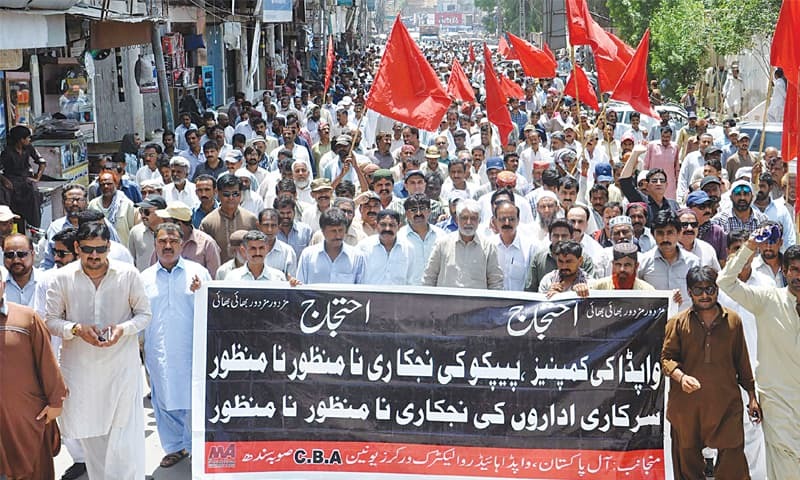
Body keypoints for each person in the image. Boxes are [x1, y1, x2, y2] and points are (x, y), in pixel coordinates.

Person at [45, 221, 152, 479]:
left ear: (109, 247)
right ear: (77, 247)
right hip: (82, 372)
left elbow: (144, 314)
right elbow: (50, 320)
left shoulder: (128, 274)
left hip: (121, 369)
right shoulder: (61, 278)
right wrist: (77, 329)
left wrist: (123, 329)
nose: (95, 256)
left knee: (124, 442)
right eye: (88, 249)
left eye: (101, 249)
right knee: (93, 439)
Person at [662, 266, 759, 480]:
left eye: (710, 289)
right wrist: (682, 377)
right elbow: (667, 359)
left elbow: (742, 362)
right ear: (689, 292)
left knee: (733, 458)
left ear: (717, 289)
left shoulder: (732, 320)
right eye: (698, 290)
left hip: (725, 403)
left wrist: (752, 397)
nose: (705, 295)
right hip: (687, 407)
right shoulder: (677, 323)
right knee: (687, 461)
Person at [141, 223, 209, 468]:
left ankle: (194, 446)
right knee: (164, 399)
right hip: (158, 350)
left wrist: (201, 292)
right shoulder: (144, 278)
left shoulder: (198, 273)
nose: (167, 246)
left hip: (192, 350)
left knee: (193, 400)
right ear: (155, 244)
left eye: (173, 241)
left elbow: (211, 307)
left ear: (182, 244)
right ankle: (174, 447)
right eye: (162, 241)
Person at [0, 268, 68, 480]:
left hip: (25, 416)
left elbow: (46, 361)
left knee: (35, 469)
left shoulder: (25, 317)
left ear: (3, 284)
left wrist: (56, 401)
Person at [422, 198, 504, 289]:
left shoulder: (488, 247)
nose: (468, 222)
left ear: (479, 221)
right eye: (464, 218)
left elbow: (495, 282)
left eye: (473, 218)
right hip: (446, 302)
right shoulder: (442, 244)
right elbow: (429, 278)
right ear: (457, 220)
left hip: (478, 303)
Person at [296, 208, 366, 284]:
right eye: (333, 231)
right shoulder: (308, 255)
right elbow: (301, 286)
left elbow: (361, 289)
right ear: (323, 231)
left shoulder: (357, 257)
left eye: (341, 230)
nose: (338, 235)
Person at [199, 174, 258, 263]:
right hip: (219, 274)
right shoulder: (208, 223)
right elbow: (203, 252)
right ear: (218, 194)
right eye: (226, 194)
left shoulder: (251, 219)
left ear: (241, 194)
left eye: (235, 194)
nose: (231, 198)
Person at [0, 125, 45, 227]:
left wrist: (37, 177)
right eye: (28, 138)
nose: (29, 140)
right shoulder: (7, 152)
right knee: (4, 197)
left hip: (25, 179)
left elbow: (42, 162)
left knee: (34, 195)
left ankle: (35, 226)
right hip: (11, 180)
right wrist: (4, 180)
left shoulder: (29, 148)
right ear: (21, 139)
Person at [356, 209, 414, 285]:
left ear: (399, 226)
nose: (387, 229)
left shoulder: (408, 248)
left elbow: (411, 279)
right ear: (376, 225)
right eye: (383, 225)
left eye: (392, 225)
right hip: (370, 296)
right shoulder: (364, 246)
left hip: (398, 296)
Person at [88, 171, 137, 246]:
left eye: (109, 184)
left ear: (116, 184)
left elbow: (133, 230)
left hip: (122, 250)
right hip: (100, 250)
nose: (106, 187)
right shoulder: (93, 205)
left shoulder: (127, 204)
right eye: (103, 184)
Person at [590, 242, 654, 290]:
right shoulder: (599, 287)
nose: (622, 269)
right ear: (613, 264)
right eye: (618, 265)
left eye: (627, 265)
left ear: (636, 266)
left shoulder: (647, 291)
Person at [3, 233, 41, 306]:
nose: (16, 260)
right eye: (9, 255)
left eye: (21, 254)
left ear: (33, 254)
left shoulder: (46, 282)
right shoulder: (1, 283)